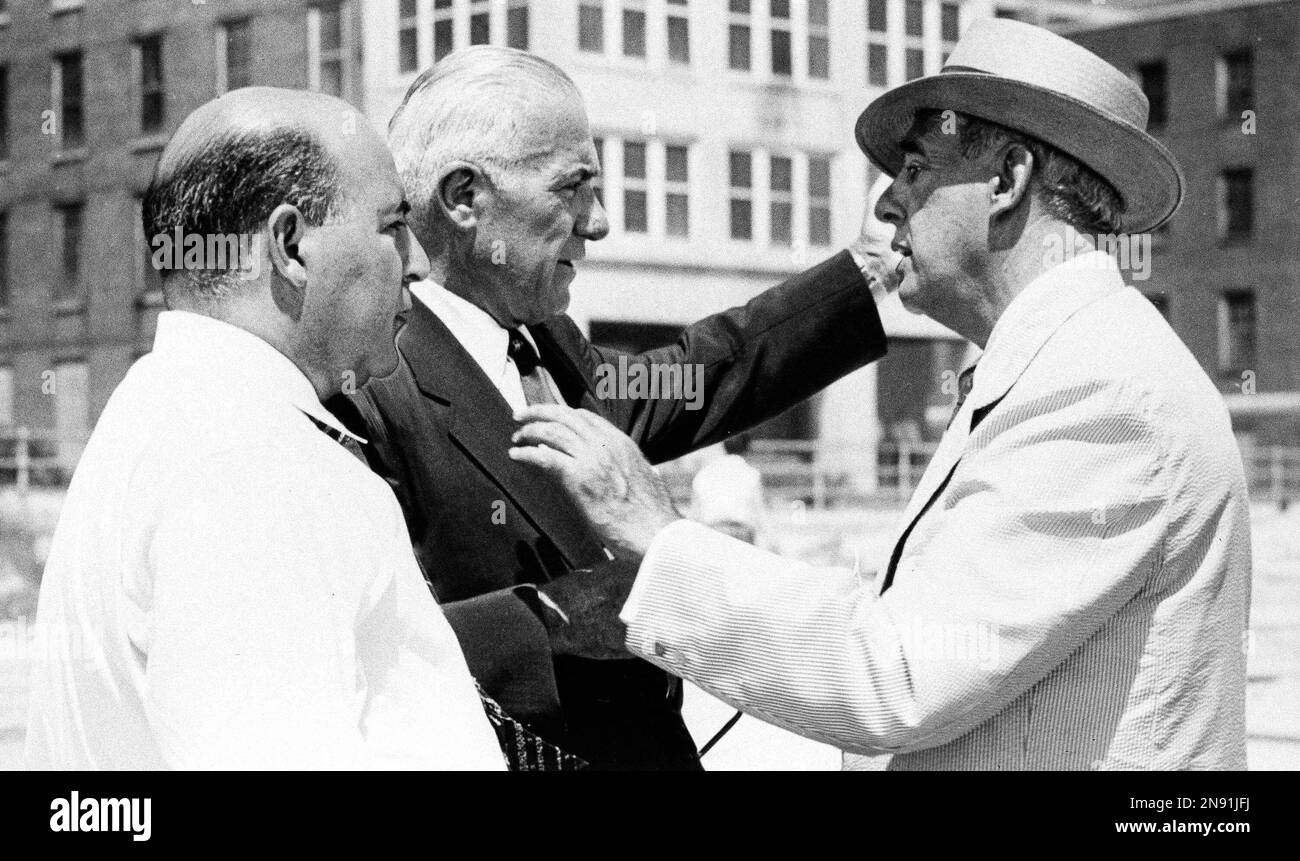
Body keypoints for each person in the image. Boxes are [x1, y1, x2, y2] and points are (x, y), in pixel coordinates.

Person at [509, 19, 1252, 770]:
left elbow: (897, 674)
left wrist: (661, 538)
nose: (888, 202)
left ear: (1007, 180)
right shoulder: (1066, 365)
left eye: (917, 169)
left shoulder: (1100, 393)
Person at [330, 46, 900, 770]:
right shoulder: (371, 384)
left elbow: (696, 373)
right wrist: (552, 623)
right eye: (572, 189)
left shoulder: (548, 343)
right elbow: (355, 653)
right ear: (465, 199)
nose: (597, 224)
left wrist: (868, 271)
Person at [24, 88, 504, 770]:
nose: (419, 263)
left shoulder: (166, 408)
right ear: (290, 247)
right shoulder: (258, 465)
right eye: (392, 225)